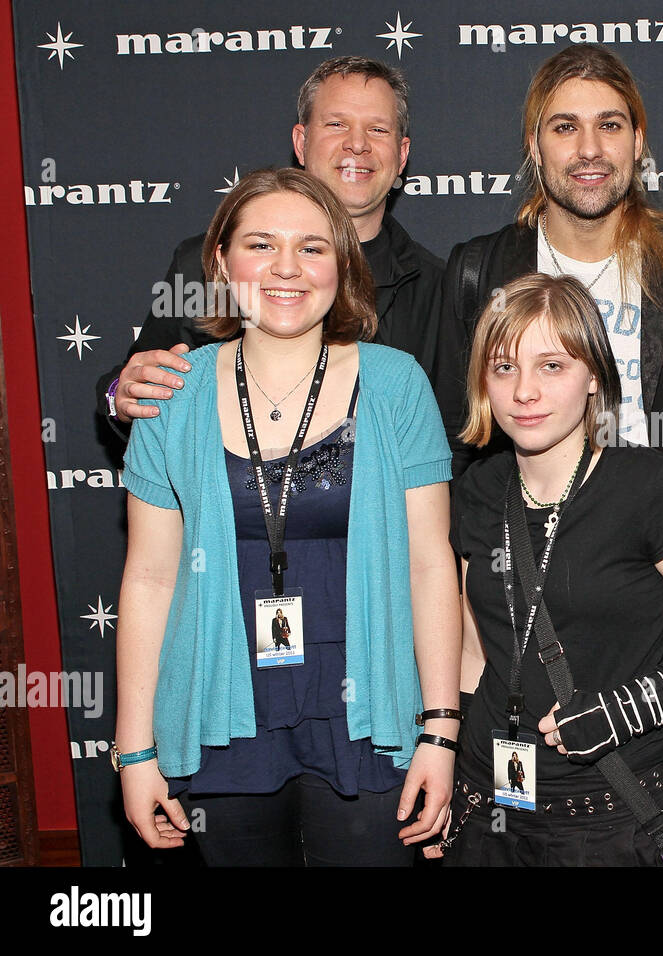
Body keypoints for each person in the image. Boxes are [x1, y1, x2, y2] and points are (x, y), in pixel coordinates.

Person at [114, 168, 461, 866]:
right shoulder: (170, 394)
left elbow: (431, 566)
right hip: (223, 711)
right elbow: (149, 579)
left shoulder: (396, 385)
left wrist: (440, 733)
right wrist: (135, 751)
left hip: (367, 716)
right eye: (261, 244)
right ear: (220, 261)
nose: (286, 268)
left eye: (311, 247)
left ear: (342, 265)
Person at [432, 273, 663, 866]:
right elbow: (476, 651)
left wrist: (626, 707)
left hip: (609, 812)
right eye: (504, 367)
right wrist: (444, 759)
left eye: (551, 366)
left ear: (594, 378)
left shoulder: (649, 488)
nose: (524, 391)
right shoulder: (478, 489)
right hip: (487, 805)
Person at [437, 44, 663, 567]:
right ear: (535, 147)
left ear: (637, 142)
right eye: (564, 127)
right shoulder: (480, 271)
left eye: (609, 125)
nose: (589, 149)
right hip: (523, 572)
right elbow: (458, 441)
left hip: (662, 578)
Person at [97, 56, 458, 452]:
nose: (358, 143)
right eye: (337, 124)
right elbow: (137, 386)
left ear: (401, 154)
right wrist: (121, 396)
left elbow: (451, 446)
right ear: (301, 142)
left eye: (377, 128)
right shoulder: (207, 265)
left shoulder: (439, 288)